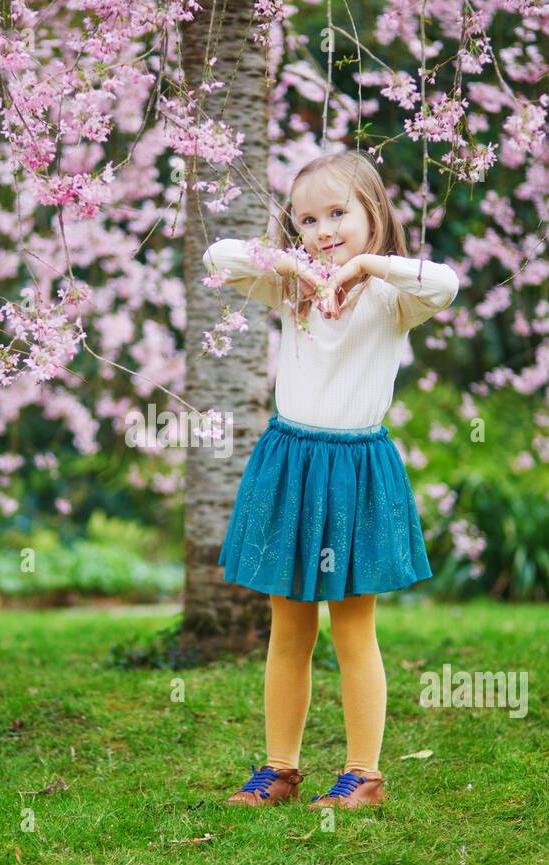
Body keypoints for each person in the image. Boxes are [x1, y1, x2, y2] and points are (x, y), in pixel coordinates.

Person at [201, 150, 461, 809]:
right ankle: (280, 771)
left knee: (353, 629)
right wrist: (286, 263)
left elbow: (447, 283)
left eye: (339, 213)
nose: (322, 229)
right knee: (289, 630)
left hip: (356, 471)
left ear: (375, 213)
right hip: (289, 465)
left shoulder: (392, 296)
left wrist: (367, 263)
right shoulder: (289, 287)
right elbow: (219, 258)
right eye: (307, 219)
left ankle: (362, 775)